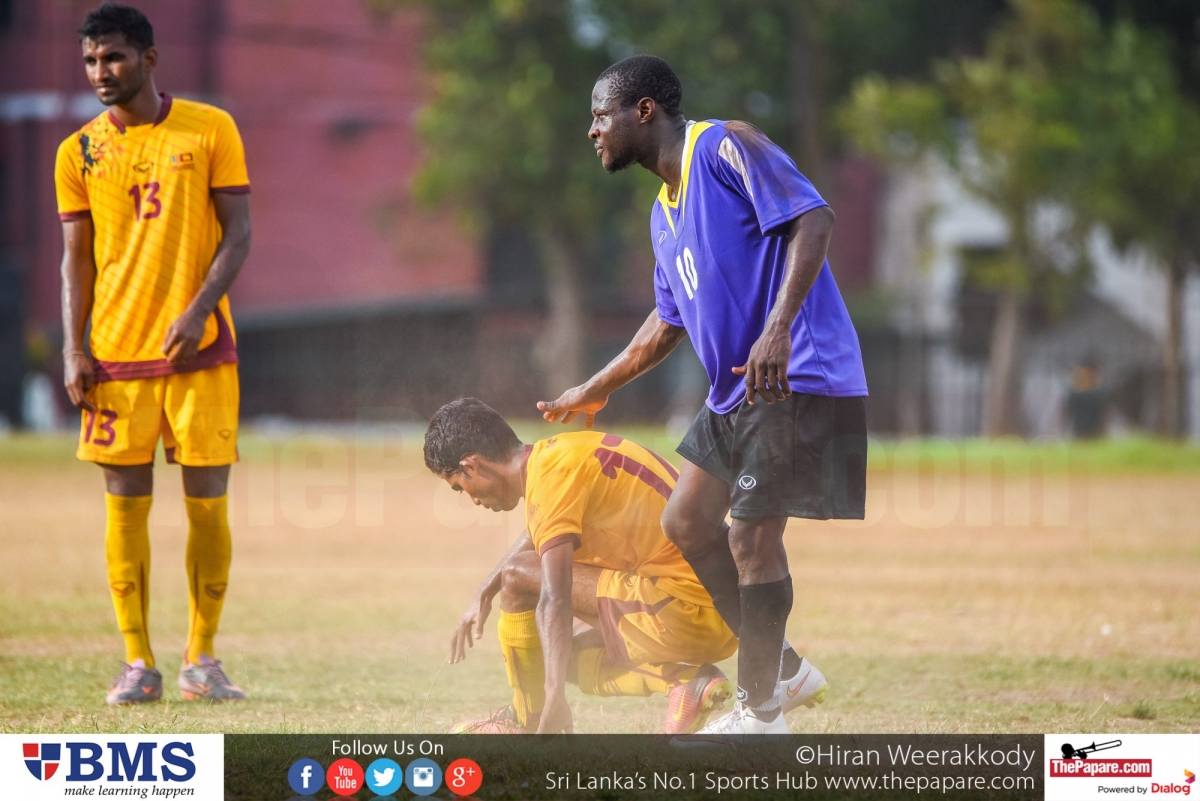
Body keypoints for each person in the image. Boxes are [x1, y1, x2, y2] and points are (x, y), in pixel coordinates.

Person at [538, 55, 867, 734]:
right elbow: (666, 325)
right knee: (685, 521)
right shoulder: (662, 215)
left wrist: (777, 329)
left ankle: (761, 713)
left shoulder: (724, 146)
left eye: (601, 116)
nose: (593, 130)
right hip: (734, 394)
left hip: (795, 371)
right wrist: (593, 387)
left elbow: (814, 219)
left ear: (644, 111)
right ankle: (782, 669)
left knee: (750, 535)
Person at [55, 4, 251, 705]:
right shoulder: (77, 152)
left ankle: (202, 658)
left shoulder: (210, 127)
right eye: (90, 60)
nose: (100, 72)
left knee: (208, 507)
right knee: (125, 508)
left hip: (203, 355)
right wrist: (73, 346)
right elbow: (76, 260)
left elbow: (239, 233)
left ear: (149, 58)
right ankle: (138, 662)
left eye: (112, 56)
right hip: (114, 360)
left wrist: (198, 311)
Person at [424, 398, 766, 734]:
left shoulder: (550, 480)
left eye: (460, 487)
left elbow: (554, 597)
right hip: (720, 604)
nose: (472, 499)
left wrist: (555, 697)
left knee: (518, 580)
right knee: (560, 648)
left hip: (690, 612)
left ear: (472, 466)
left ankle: (528, 720)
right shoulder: (560, 453)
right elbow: (541, 528)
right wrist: (486, 589)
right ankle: (688, 683)